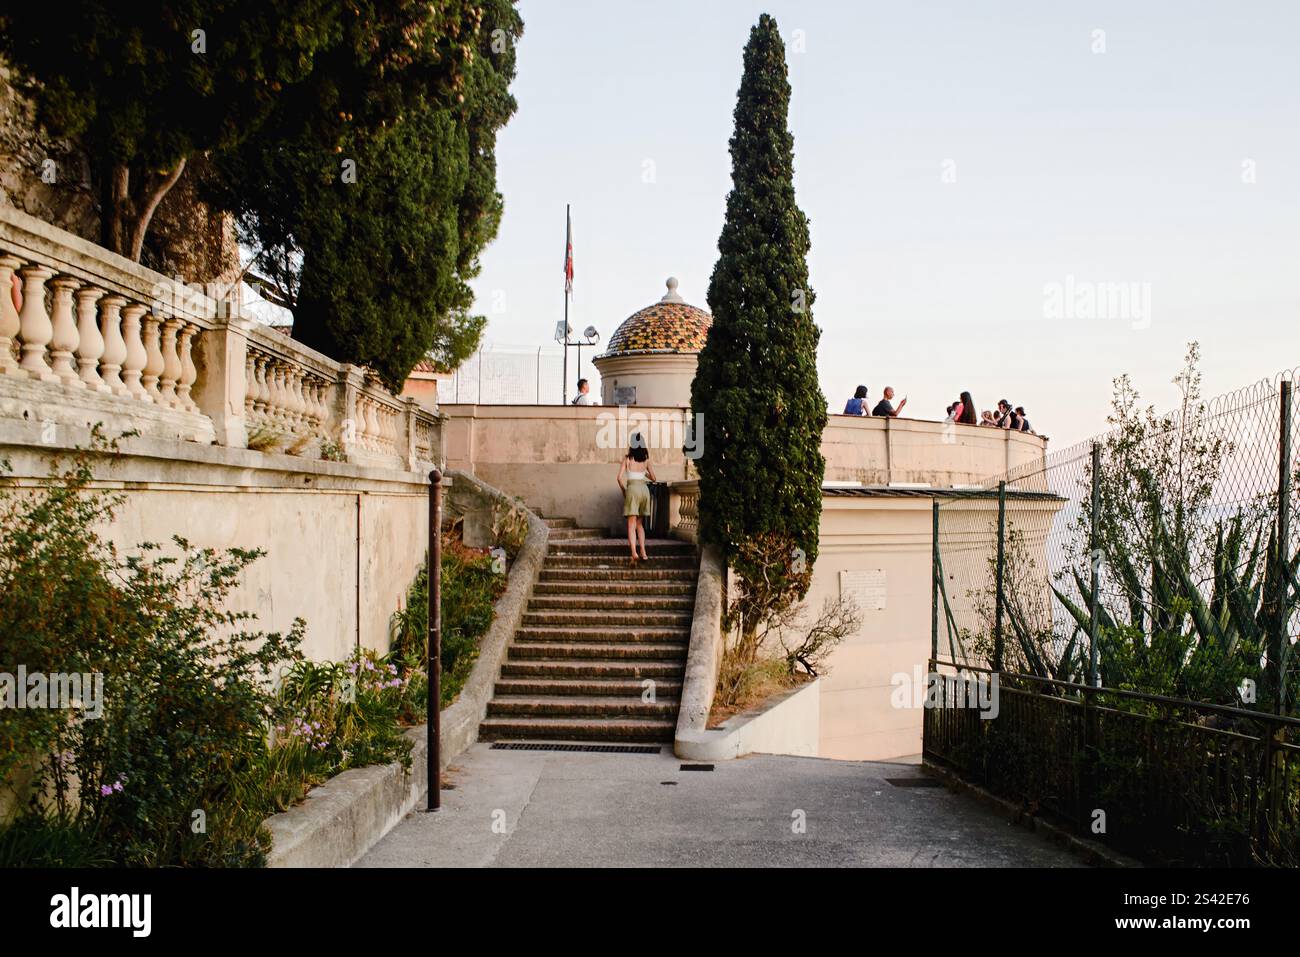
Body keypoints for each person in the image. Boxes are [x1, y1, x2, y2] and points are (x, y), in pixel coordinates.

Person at [617, 433, 655, 564]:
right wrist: (643, 473)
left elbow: (619, 478)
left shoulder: (627, 459)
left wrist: (624, 490)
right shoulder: (646, 459)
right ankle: (643, 552)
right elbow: (654, 478)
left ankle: (634, 552)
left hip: (632, 490)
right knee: (640, 524)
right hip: (644, 491)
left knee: (631, 524)